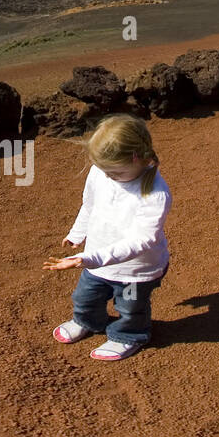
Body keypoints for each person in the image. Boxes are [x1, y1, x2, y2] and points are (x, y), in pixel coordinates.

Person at [46, 115, 171, 361]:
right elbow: (89, 205)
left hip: (136, 272)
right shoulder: (100, 173)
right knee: (84, 298)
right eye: (104, 170)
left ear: (137, 158)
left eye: (115, 171)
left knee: (130, 308)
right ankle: (88, 321)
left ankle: (129, 335)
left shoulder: (156, 194)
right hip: (96, 263)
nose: (108, 176)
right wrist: (77, 233)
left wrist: (90, 258)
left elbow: (141, 241)